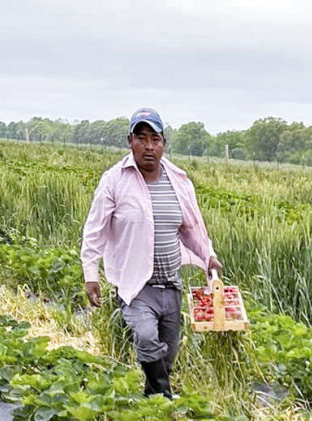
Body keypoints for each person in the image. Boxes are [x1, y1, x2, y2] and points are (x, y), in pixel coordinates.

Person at [80, 108, 220, 397]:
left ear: (163, 143)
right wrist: (90, 273)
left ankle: (152, 404)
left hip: (171, 284)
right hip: (136, 284)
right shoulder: (115, 180)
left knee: (167, 355)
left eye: (155, 139)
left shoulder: (179, 181)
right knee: (145, 337)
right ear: (129, 141)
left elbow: (192, 228)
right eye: (141, 138)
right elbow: (95, 228)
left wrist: (208, 257)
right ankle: (164, 399)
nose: (148, 146)